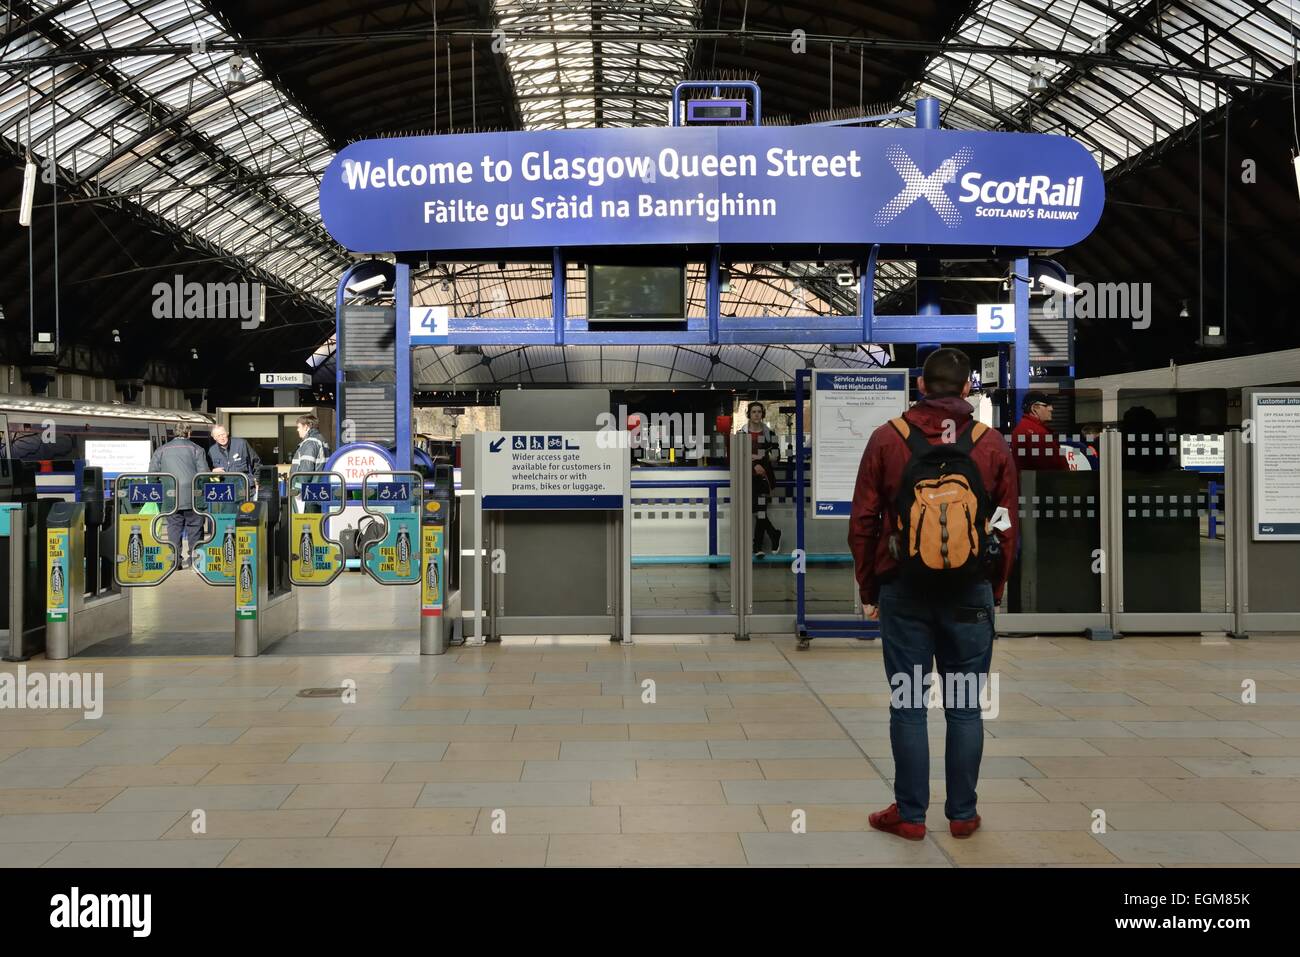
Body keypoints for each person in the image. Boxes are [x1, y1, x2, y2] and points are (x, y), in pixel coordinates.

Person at [847, 348, 1019, 841]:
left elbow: (863, 522)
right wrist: (995, 584)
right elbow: (1006, 527)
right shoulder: (991, 444)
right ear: (969, 389)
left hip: (903, 590)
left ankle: (911, 814)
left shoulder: (887, 438)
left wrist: (869, 587)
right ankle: (962, 814)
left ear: (921, 386)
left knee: (909, 704)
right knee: (965, 707)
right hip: (970, 592)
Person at [148, 425, 208, 568]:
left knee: (173, 528)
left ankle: (174, 561)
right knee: (195, 528)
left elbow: (152, 476)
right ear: (189, 433)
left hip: (171, 497)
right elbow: (204, 474)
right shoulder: (197, 449)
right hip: (193, 496)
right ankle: (195, 560)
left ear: (173, 433)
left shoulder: (161, 450)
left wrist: (160, 491)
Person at [743, 402, 782, 558]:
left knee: (760, 510)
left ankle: (757, 546)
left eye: (759, 411)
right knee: (756, 510)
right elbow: (738, 457)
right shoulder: (742, 434)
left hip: (763, 479)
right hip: (748, 479)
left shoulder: (770, 434)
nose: (757, 414)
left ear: (763, 414)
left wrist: (768, 457)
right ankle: (773, 533)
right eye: (754, 412)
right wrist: (753, 465)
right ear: (749, 414)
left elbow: (776, 455)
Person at [1009, 391, 1068, 471]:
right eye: (1046, 405)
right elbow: (1051, 467)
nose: (1051, 409)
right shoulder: (1038, 434)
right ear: (1034, 408)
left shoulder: (1023, 428)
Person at [207, 424, 261, 496]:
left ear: (227, 433)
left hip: (245, 488)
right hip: (224, 491)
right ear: (214, 438)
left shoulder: (242, 444)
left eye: (223, 434)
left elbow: (256, 462)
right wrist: (212, 471)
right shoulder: (212, 451)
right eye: (218, 436)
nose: (221, 438)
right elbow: (207, 471)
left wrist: (257, 481)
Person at [290, 414, 329, 513]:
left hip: (308, 493)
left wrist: (297, 488)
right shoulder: (321, 440)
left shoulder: (310, 443)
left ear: (306, 426)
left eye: (299, 427)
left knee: (306, 525)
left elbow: (305, 472)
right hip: (318, 491)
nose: (297, 430)